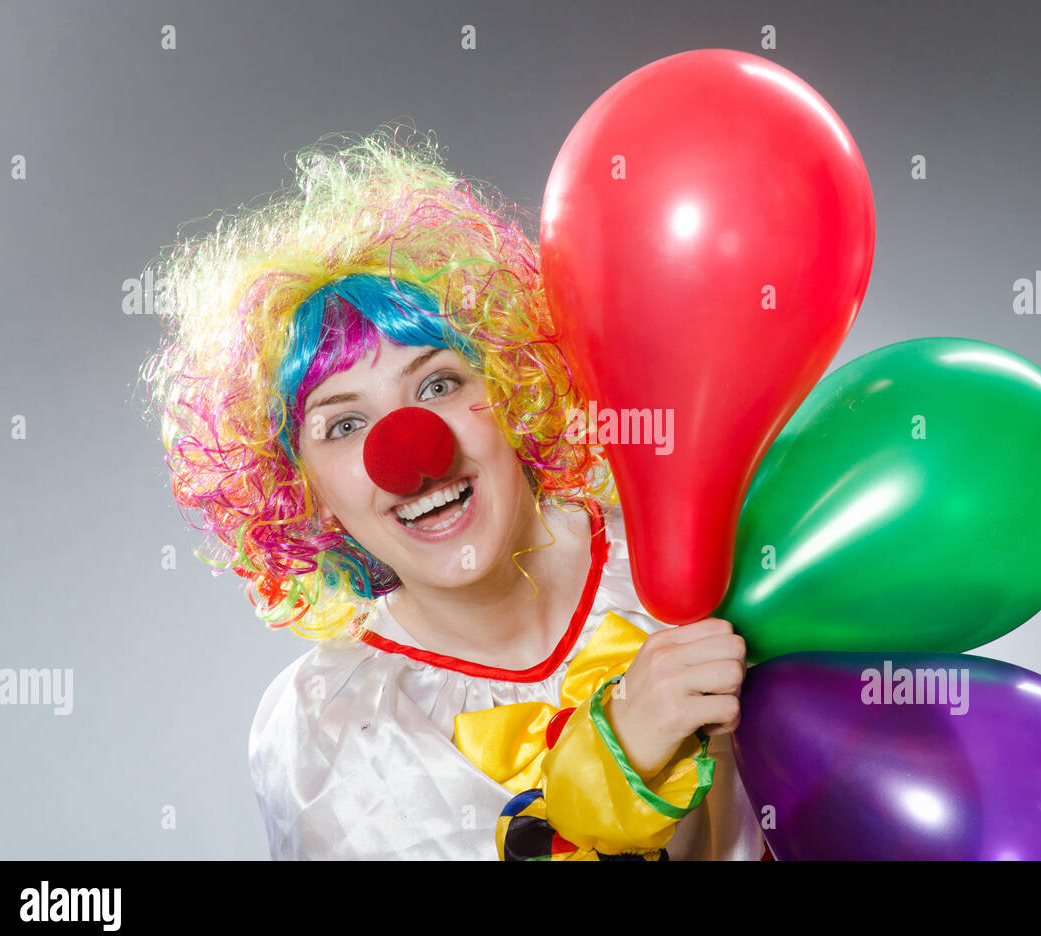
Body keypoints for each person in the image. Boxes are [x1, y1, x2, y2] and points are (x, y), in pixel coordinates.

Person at [138, 125, 765, 860]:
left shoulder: (692, 554)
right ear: (301, 487)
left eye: (438, 383)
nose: (408, 451)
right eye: (343, 425)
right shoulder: (328, 734)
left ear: (508, 385)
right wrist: (617, 757)